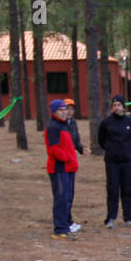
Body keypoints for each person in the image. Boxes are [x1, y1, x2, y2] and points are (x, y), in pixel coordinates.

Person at [98, 94, 131, 227]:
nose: (117, 108)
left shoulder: (130, 122)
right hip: (112, 162)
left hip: (126, 161)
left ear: (123, 107)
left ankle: (129, 218)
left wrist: (125, 150)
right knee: (112, 189)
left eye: (119, 105)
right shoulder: (106, 123)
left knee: (128, 189)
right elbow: (101, 140)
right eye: (114, 105)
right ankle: (111, 218)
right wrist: (111, 150)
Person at [46, 99, 78, 239]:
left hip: (69, 168)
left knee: (67, 198)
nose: (64, 112)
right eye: (61, 110)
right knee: (61, 198)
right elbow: (53, 149)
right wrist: (67, 158)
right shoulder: (53, 127)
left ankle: (65, 226)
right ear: (54, 112)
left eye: (65, 109)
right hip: (59, 169)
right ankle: (59, 229)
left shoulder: (64, 126)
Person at [63, 98, 84, 232]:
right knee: (64, 194)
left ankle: (68, 220)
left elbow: (76, 140)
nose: (69, 112)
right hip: (63, 163)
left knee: (70, 193)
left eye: (71, 109)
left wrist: (81, 148)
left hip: (72, 162)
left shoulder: (73, 123)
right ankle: (64, 222)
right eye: (66, 109)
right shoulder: (59, 125)